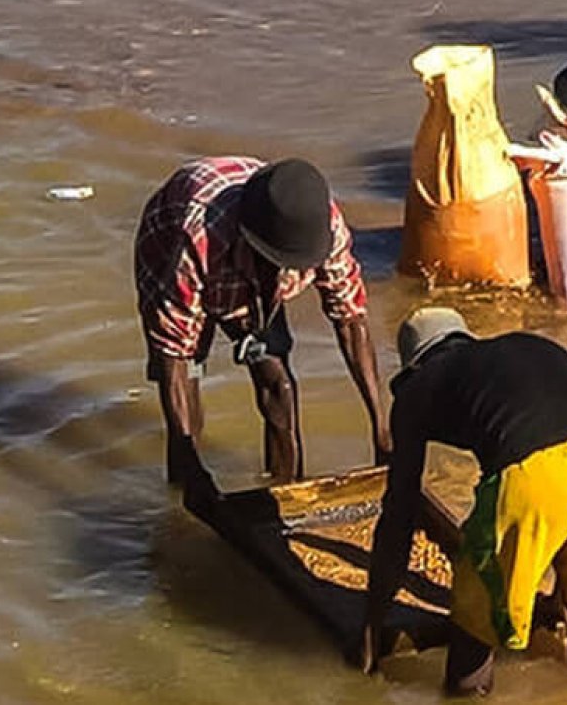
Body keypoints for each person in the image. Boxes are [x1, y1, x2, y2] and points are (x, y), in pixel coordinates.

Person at [358, 308, 567, 697]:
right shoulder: (526, 351)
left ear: (414, 365)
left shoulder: (419, 388)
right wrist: (556, 597)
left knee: (474, 620)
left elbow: (399, 517)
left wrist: (371, 628)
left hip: (536, 474)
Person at [134, 156, 389, 504]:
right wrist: (188, 455)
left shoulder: (322, 226)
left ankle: (283, 494)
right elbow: (174, 354)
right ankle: (183, 502)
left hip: (249, 243)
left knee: (279, 385)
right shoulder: (199, 244)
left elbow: (350, 320)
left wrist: (381, 427)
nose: (282, 278)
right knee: (188, 412)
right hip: (169, 241)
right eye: (275, 267)